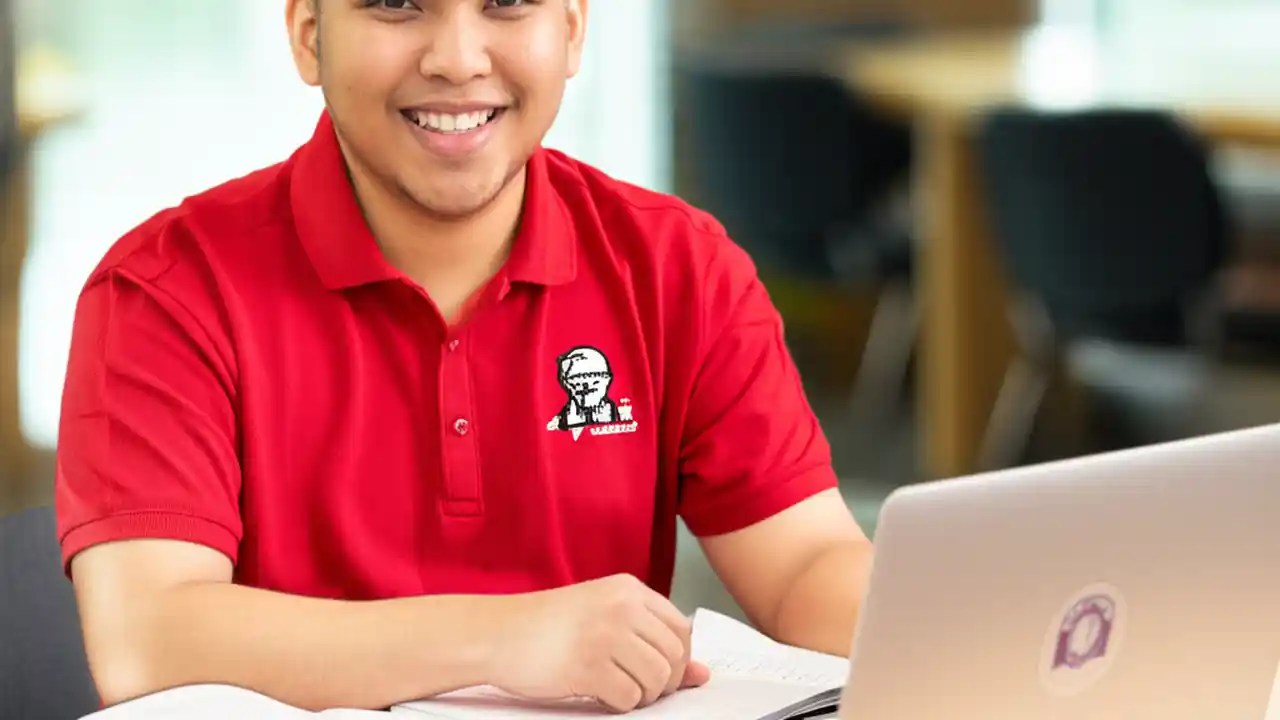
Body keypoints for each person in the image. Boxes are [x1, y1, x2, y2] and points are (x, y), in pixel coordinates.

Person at [55, 0, 874, 714]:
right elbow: (149, 637)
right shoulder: (164, 291)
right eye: (394, 3)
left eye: (508, 2)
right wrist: (504, 638)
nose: (456, 58)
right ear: (310, 36)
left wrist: (968, 626)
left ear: (572, 29)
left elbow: (805, 564)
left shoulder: (676, 268)